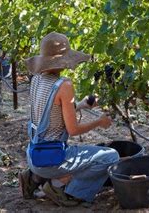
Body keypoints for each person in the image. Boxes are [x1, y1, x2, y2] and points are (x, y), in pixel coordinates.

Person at [18, 32, 119, 206]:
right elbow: (73, 130)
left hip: (35, 154)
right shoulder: (64, 85)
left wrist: (79, 105)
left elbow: (49, 112)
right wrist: (99, 122)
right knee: (111, 156)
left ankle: (33, 178)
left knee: (81, 153)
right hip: (51, 160)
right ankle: (59, 187)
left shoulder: (36, 79)